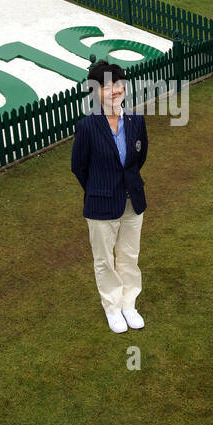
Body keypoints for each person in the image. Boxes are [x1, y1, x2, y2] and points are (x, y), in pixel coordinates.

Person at [70, 61, 149, 334]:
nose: (114, 91)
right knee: (104, 260)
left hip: (133, 201)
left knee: (129, 255)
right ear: (95, 92)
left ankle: (129, 304)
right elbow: (79, 167)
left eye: (117, 84)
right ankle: (113, 308)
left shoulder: (136, 121)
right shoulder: (87, 127)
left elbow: (139, 159)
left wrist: (126, 185)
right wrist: (100, 189)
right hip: (101, 204)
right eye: (106, 86)